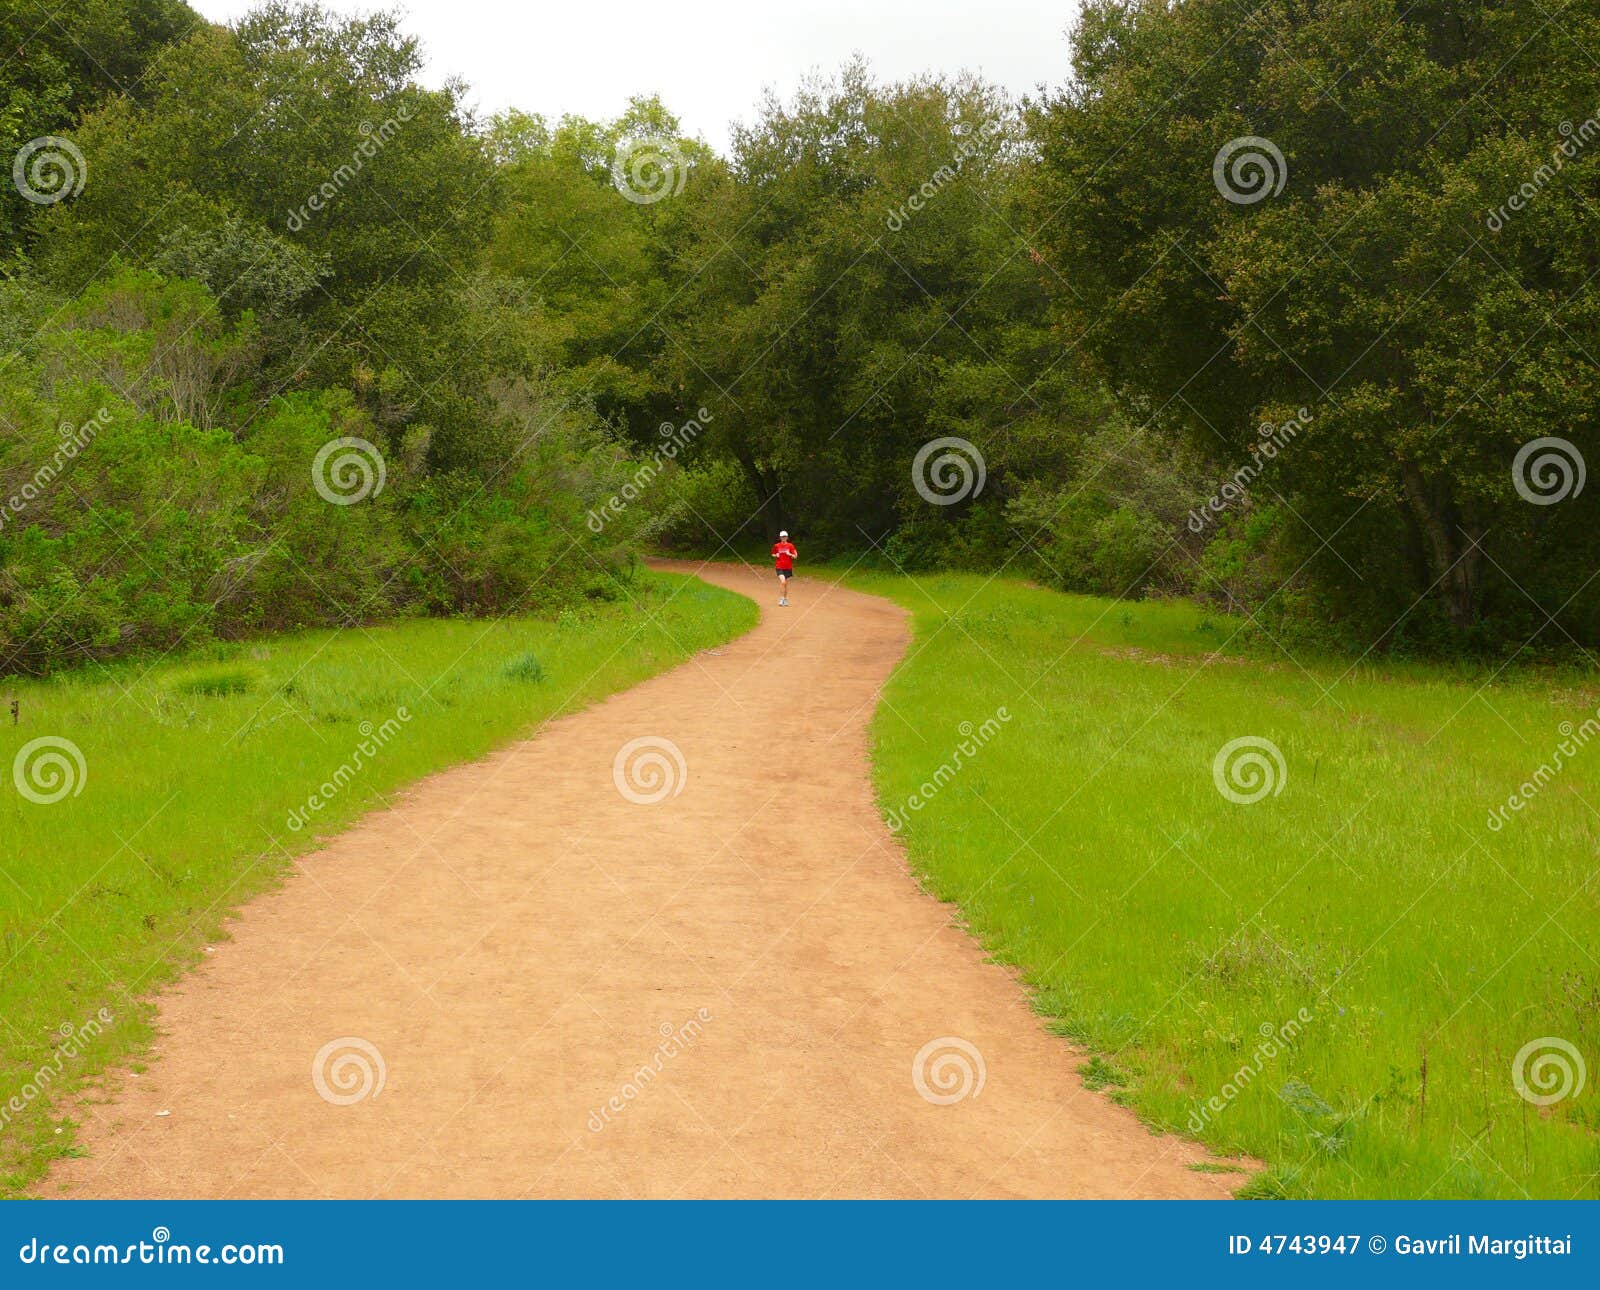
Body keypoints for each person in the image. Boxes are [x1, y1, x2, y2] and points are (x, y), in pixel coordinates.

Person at [770, 530, 797, 606]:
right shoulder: (776, 546)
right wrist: (776, 555)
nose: (783, 538)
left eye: (785, 536)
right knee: (783, 582)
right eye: (782, 536)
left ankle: (785, 599)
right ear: (780, 537)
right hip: (779, 566)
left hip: (788, 567)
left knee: (785, 584)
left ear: (787, 537)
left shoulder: (790, 546)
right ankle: (781, 599)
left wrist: (790, 554)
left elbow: (795, 556)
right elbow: (772, 554)